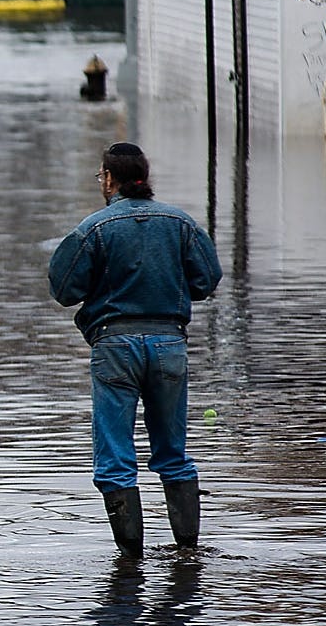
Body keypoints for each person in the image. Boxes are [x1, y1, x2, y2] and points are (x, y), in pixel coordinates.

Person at [49, 141, 223, 554]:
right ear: (144, 177)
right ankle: (188, 553)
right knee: (174, 453)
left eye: (101, 176)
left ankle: (130, 563)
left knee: (115, 458)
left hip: (114, 347)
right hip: (169, 345)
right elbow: (206, 280)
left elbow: (64, 289)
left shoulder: (93, 228)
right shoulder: (180, 223)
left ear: (110, 178)